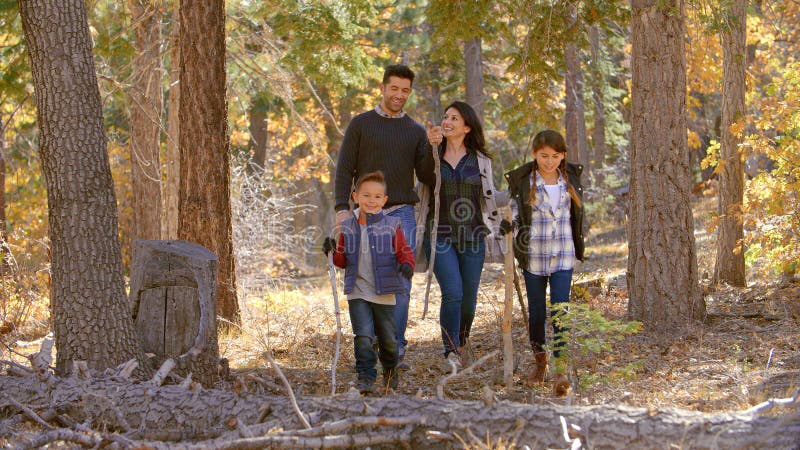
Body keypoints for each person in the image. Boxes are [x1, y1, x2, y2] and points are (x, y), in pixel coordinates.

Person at [334, 65, 434, 368]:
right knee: (366, 280)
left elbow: (428, 175)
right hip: (365, 213)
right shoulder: (361, 124)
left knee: (400, 282)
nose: (399, 95)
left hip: (401, 213)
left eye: (405, 90)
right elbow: (344, 169)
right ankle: (371, 345)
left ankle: (395, 350)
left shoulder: (415, 131)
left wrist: (432, 146)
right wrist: (342, 207)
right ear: (382, 88)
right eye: (394, 88)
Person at [418, 101, 503, 371]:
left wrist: (518, 195)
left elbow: (491, 195)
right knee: (452, 292)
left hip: (473, 235)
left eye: (454, 118)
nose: (448, 121)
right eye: (445, 117)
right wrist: (428, 146)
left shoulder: (481, 160)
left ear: (467, 127)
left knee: (469, 299)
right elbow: (421, 174)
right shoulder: (433, 154)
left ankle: (462, 342)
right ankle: (450, 350)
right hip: (439, 233)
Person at [501, 129, 584, 396]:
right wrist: (507, 224)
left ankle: (560, 366)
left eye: (555, 156)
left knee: (560, 311)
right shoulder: (525, 181)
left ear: (562, 156)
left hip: (562, 254)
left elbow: (576, 217)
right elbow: (514, 212)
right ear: (535, 154)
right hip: (534, 256)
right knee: (537, 314)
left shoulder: (570, 180)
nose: (549, 161)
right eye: (544, 155)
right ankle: (540, 362)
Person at [323, 171, 415, 394]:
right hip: (358, 291)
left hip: (385, 292)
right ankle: (365, 376)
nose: (371, 201)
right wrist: (331, 252)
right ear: (355, 197)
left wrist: (406, 265)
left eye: (377, 197)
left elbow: (405, 252)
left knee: (388, 340)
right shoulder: (348, 227)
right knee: (363, 336)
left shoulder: (393, 225)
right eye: (366, 195)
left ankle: (390, 372)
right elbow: (342, 261)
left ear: (384, 200)